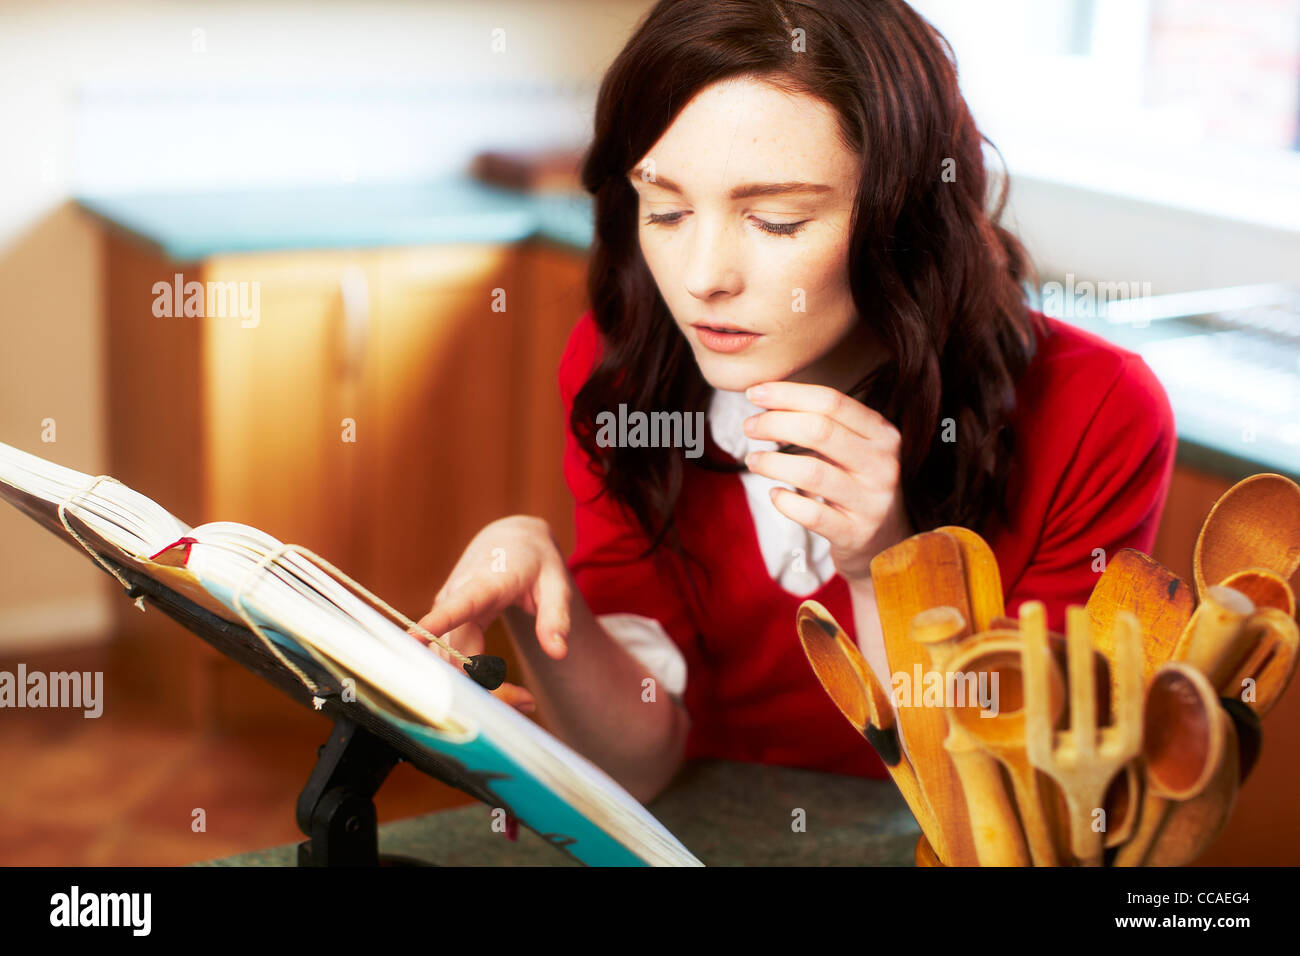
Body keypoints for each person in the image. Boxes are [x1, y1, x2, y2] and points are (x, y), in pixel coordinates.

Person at [411, 0, 1176, 804]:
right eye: (666, 210)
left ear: (905, 215)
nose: (703, 276)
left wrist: (882, 570)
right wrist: (545, 615)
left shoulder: (1098, 410)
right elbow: (642, 762)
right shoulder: (626, 370)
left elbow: (1011, 807)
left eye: (775, 222)